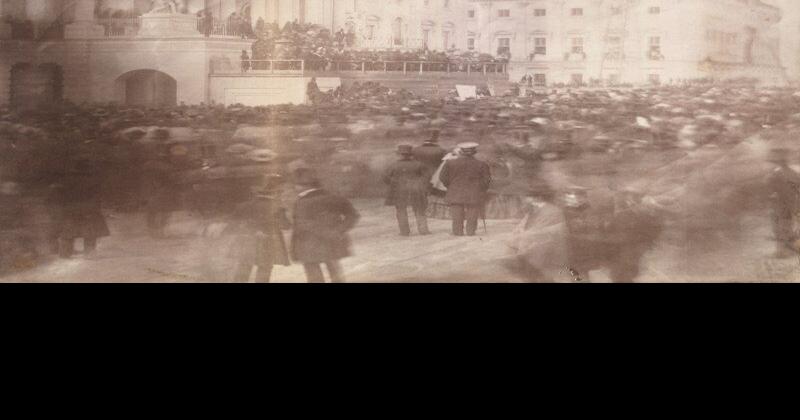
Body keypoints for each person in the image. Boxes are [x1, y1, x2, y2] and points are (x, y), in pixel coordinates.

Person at [290, 167, 360, 283]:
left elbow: (302, 223)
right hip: (333, 240)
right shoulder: (334, 197)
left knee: (313, 272)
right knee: (334, 268)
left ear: (304, 186)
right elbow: (353, 215)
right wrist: (339, 230)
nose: (295, 188)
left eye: (297, 185)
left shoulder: (302, 202)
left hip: (309, 243)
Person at [228, 174, 291, 283]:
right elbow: (286, 226)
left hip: (246, 242)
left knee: (244, 268)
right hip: (268, 242)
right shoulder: (277, 207)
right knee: (264, 269)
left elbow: (233, 224)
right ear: (276, 191)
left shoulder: (244, 206)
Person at [505, 184, 570, 282]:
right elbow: (523, 225)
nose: (525, 199)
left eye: (528, 197)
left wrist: (524, 236)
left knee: (538, 271)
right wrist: (516, 234)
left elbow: (544, 231)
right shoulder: (533, 210)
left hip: (549, 249)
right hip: (536, 246)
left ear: (537, 198)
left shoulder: (552, 211)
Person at [53, 159, 110, 258]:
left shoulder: (67, 179)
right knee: (90, 231)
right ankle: (89, 252)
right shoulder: (93, 180)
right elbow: (98, 195)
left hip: (70, 208)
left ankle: (64, 253)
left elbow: (60, 195)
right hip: (89, 208)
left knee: (68, 231)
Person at [438, 142, 492, 236]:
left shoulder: (450, 163)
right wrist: (481, 189)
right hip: (474, 192)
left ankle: (458, 232)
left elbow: (442, 177)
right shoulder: (481, 164)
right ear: (474, 152)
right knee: (472, 211)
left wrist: (450, 186)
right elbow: (487, 180)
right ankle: (470, 231)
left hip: (455, 191)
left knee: (456, 212)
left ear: (461, 151)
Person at [383, 144, 431, 236]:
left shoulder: (393, 165)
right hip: (416, 190)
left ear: (399, 154)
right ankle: (423, 230)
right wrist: (420, 184)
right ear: (411, 154)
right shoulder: (419, 164)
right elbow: (427, 177)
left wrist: (394, 183)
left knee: (401, 210)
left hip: (399, 190)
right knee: (419, 209)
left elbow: (385, 178)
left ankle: (404, 231)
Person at [766, 148, 800, 258]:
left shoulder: (779, 174)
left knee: (782, 228)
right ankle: (786, 249)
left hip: (783, 205)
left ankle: (783, 251)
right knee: (784, 227)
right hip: (785, 204)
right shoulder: (791, 173)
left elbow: (773, 190)